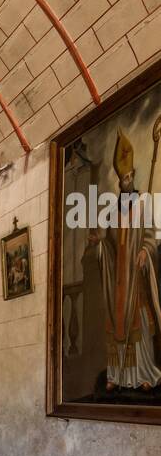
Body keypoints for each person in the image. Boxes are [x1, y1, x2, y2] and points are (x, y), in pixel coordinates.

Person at [92, 129, 161, 391]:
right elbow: (109, 244)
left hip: (136, 275)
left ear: (133, 177)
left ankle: (145, 374)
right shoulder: (113, 212)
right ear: (120, 182)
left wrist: (145, 250)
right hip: (118, 278)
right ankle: (117, 377)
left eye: (131, 176)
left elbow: (151, 235)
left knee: (138, 321)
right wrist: (100, 243)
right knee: (117, 321)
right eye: (124, 178)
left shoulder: (143, 205)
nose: (128, 181)